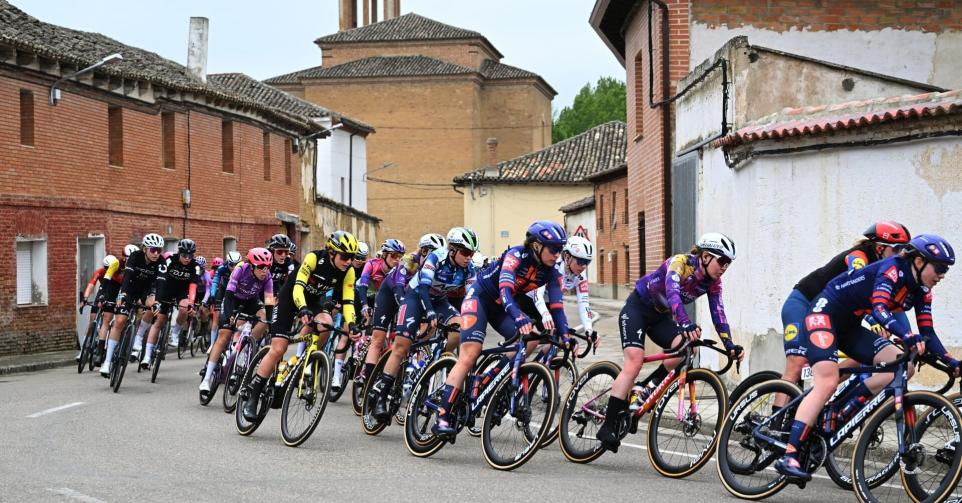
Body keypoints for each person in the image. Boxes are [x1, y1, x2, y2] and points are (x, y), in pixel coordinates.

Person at [775, 234, 961, 481]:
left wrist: (952, 362)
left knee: (904, 364)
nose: (942, 275)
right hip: (824, 314)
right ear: (918, 261)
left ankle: (842, 410)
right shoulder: (892, 270)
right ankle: (790, 454)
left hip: (849, 326)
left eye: (946, 270)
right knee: (828, 381)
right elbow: (880, 309)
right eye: (939, 268)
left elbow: (928, 333)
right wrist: (907, 335)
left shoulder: (922, 291)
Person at [594, 232, 740, 453]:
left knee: (681, 352)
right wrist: (685, 323)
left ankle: (644, 389)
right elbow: (672, 293)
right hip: (638, 309)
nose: (724, 267)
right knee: (634, 363)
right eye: (722, 261)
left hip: (660, 317)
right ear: (706, 256)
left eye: (728, 264)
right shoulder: (680, 263)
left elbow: (718, 313)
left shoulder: (714, 284)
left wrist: (729, 345)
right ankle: (606, 426)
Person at [430, 221, 571, 435]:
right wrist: (518, 317)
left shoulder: (551, 272)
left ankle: (488, 378)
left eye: (561, 249)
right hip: (480, 298)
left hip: (501, 306)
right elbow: (505, 290)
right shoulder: (516, 255)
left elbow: (557, 307)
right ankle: (442, 414)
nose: (557, 254)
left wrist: (567, 337)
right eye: (554, 249)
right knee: (470, 354)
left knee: (532, 338)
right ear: (536, 245)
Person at [775, 221, 911, 410]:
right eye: (898, 250)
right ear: (880, 248)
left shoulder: (891, 273)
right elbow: (854, 282)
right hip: (803, 304)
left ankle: (822, 396)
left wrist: (909, 338)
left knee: (863, 356)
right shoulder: (858, 256)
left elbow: (896, 310)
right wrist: (874, 320)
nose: (901, 256)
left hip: (836, 318)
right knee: (797, 362)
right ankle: (774, 422)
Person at [242, 231, 360, 421]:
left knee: (327, 324)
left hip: (313, 302)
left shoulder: (349, 271)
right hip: (290, 299)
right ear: (332, 252)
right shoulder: (314, 258)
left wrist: (352, 324)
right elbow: (298, 286)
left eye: (352, 257)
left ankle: (307, 359)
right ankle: (253, 395)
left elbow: (348, 301)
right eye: (345, 256)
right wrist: (303, 309)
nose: (349, 261)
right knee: (278, 348)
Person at [370, 228, 479, 421]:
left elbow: (471, 297)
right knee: (402, 346)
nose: (469, 257)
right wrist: (428, 313)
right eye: (466, 252)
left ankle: (437, 359)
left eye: (472, 253)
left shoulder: (468, 269)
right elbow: (422, 287)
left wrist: (473, 319)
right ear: (452, 250)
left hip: (439, 301)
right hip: (415, 296)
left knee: (460, 329)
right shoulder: (437, 257)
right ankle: (380, 395)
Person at [199, 248, 274, 395]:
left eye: (268, 267)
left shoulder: (267, 277)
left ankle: (247, 345)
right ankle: (206, 379)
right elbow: (228, 294)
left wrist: (271, 323)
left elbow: (269, 301)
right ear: (251, 265)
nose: (264, 271)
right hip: (232, 299)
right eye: (260, 267)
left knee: (265, 317)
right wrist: (229, 316)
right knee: (224, 335)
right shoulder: (240, 269)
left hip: (251, 301)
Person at [101, 234, 164, 377]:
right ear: (144, 249)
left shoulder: (161, 262)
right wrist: (122, 294)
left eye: (159, 250)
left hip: (147, 291)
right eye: (153, 250)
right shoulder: (135, 257)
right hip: (129, 288)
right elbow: (127, 276)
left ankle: (138, 337)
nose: (156, 253)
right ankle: (107, 361)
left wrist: (158, 302)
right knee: (120, 321)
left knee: (152, 305)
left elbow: (160, 282)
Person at [141, 239, 202, 368]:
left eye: (190, 256)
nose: (187, 258)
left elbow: (192, 286)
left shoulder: (195, 266)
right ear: (179, 253)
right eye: (184, 255)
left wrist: (191, 302)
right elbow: (160, 275)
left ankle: (175, 333)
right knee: (159, 320)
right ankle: (147, 355)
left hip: (182, 291)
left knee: (185, 307)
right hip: (166, 288)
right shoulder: (169, 259)